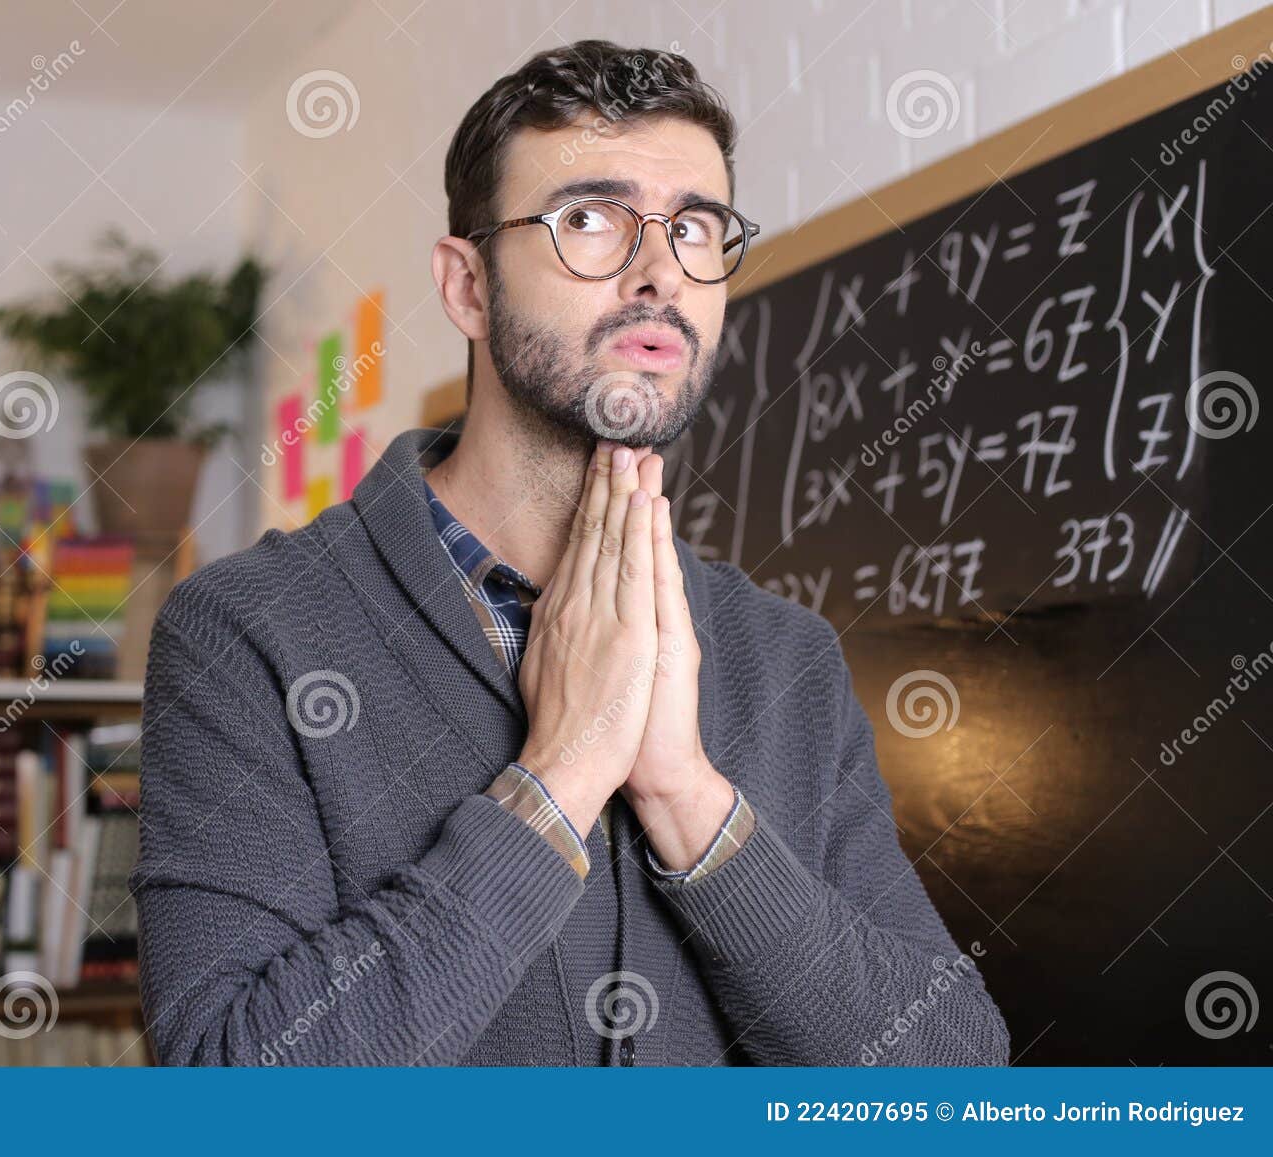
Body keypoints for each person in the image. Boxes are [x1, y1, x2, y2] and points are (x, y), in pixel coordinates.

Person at [130, 39, 1010, 1067]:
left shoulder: (787, 657)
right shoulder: (247, 630)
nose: (656, 274)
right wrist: (559, 776)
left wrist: (685, 794)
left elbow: (951, 1074)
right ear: (466, 286)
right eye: (588, 220)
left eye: (694, 228)